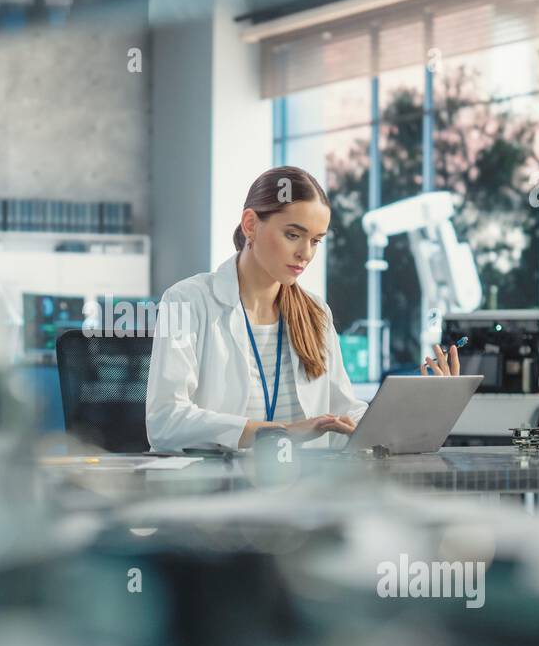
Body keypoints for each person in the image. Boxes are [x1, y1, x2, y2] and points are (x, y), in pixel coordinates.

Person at [145, 165, 461, 452]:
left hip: (305, 490)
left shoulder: (316, 312)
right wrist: (280, 432)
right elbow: (165, 421)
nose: (305, 253)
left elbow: (343, 416)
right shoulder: (186, 301)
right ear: (251, 224)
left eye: (316, 240)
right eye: (293, 235)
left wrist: (421, 412)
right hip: (219, 489)